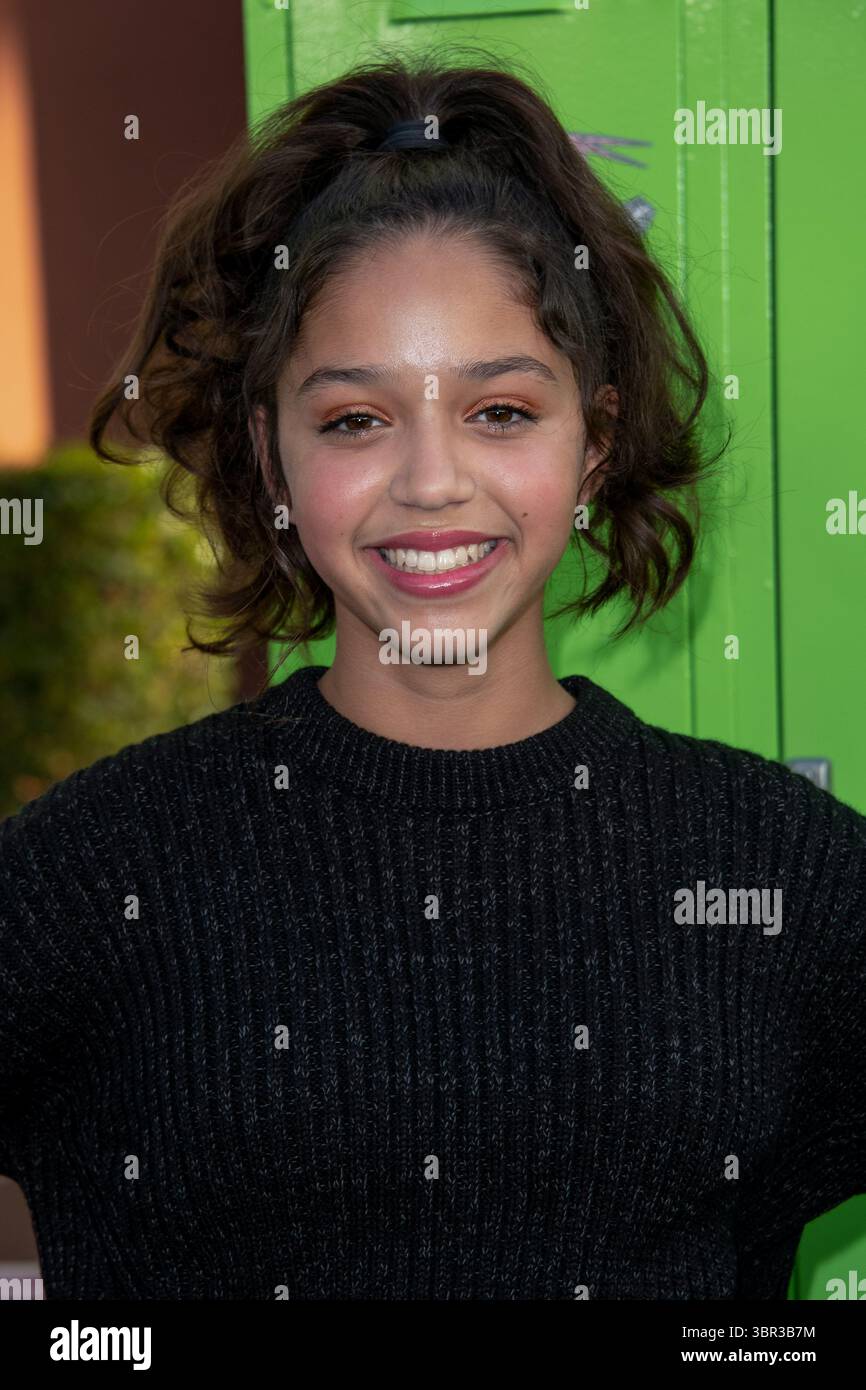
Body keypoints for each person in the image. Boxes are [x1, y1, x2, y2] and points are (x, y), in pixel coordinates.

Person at [1, 53, 864, 1301]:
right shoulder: (92, 875)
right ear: (272, 456)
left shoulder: (780, 873)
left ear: (593, 444)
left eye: (500, 411)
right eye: (354, 419)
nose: (430, 481)